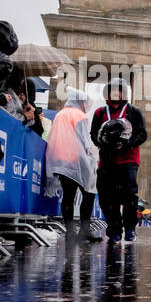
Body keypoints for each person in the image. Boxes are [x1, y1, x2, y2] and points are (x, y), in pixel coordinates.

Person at [90, 77, 147, 245]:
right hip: (107, 161)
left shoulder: (133, 112)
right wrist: (103, 143)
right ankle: (114, 230)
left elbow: (142, 134)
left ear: (124, 93)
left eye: (119, 90)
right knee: (107, 198)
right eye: (112, 90)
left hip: (128, 160)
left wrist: (127, 144)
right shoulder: (100, 112)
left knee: (129, 196)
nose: (115, 93)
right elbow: (93, 134)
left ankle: (130, 228)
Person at [45, 87, 102, 243]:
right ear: (80, 102)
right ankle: (84, 231)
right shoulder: (80, 116)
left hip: (60, 160)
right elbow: (84, 140)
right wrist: (93, 155)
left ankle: (70, 231)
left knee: (68, 196)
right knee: (88, 194)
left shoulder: (59, 115)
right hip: (77, 160)